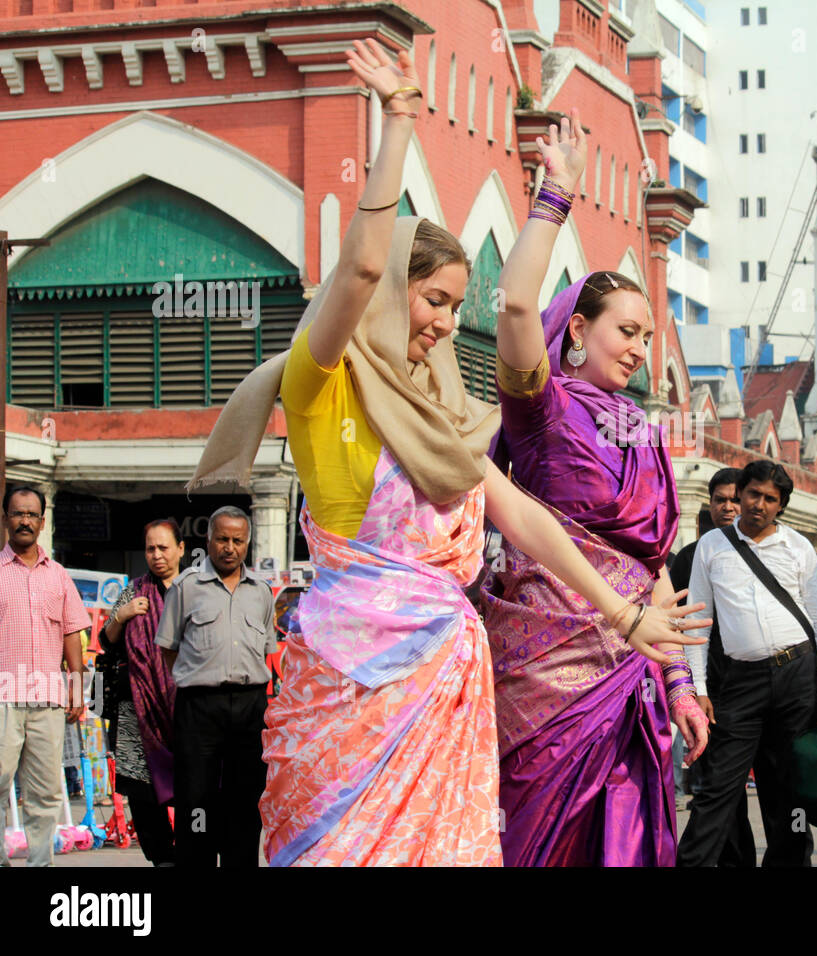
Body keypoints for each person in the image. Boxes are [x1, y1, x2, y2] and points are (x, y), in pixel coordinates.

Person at [190, 44, 701, 867]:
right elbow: (360, 262)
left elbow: (526, 519)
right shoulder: (322, 384)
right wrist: (397, 121)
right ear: (393, 291)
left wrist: (627, 614)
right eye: (432, 300)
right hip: (352, 688)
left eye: (456, 305)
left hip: (450, 684)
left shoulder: (447, 418)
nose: (441, 323)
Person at [483, 111, 710, 867]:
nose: (642, 351)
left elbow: (654, 573)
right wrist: (557, 196)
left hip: (632, 675)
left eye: (649, 337)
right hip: (545, 679)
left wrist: (679, 682)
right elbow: (515, 305)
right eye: (627, 332)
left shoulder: (643, 431)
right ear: (577, 329)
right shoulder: (541, 410)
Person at [677, 461, 817, 867]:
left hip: (797, 677)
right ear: (742, 493)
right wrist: (699, 690)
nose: (759, 504)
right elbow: (699, 622)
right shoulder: (711, 546)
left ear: (781, 504)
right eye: (753, 494)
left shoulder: (798, 546)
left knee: (788, 791)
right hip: (738, 684)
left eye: (771, 498)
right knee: (717, 788)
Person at [154, 506, 274, 867]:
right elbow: (168, 650)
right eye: (222, 539)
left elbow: (267, 652)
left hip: (251, 707)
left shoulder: (263, 592)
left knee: (245, 797)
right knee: (196, 798)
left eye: (237, 540)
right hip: (199, 708)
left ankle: (240, 861)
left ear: (247, 544)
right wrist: (198, 677)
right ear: (208, 540)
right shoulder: (186, 588)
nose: (229, 547)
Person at [0, 486, 91, 867]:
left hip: (49, 700)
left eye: (31, 514)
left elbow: (73, 635)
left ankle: (40, 864)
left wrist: (77, 692)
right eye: (17, 513)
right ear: (6, 519)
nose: (24, 520)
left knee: (45, 792)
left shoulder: (58, 576)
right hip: (3, 697)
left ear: (42, 521)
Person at [669, 467, 756, 865]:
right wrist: (687, 687)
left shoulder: (767, 548)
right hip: (706, 687)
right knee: (718, 784)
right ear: (709, 503)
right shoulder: (689, 557)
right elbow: (673, 622)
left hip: (754, 684)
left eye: (735, 499)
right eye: (720, 499)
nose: (727, 506)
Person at [100, 518, 185, 866]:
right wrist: (121, 616)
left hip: (187, 709)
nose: (156, 555)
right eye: (150, 548)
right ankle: (161, 858)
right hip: (138, 709)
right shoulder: (134, 590)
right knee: (142, 791)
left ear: (180, 549)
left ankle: (191, 854)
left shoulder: (194, 589)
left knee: (194, 789)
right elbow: (106, 640)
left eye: (163, 547)